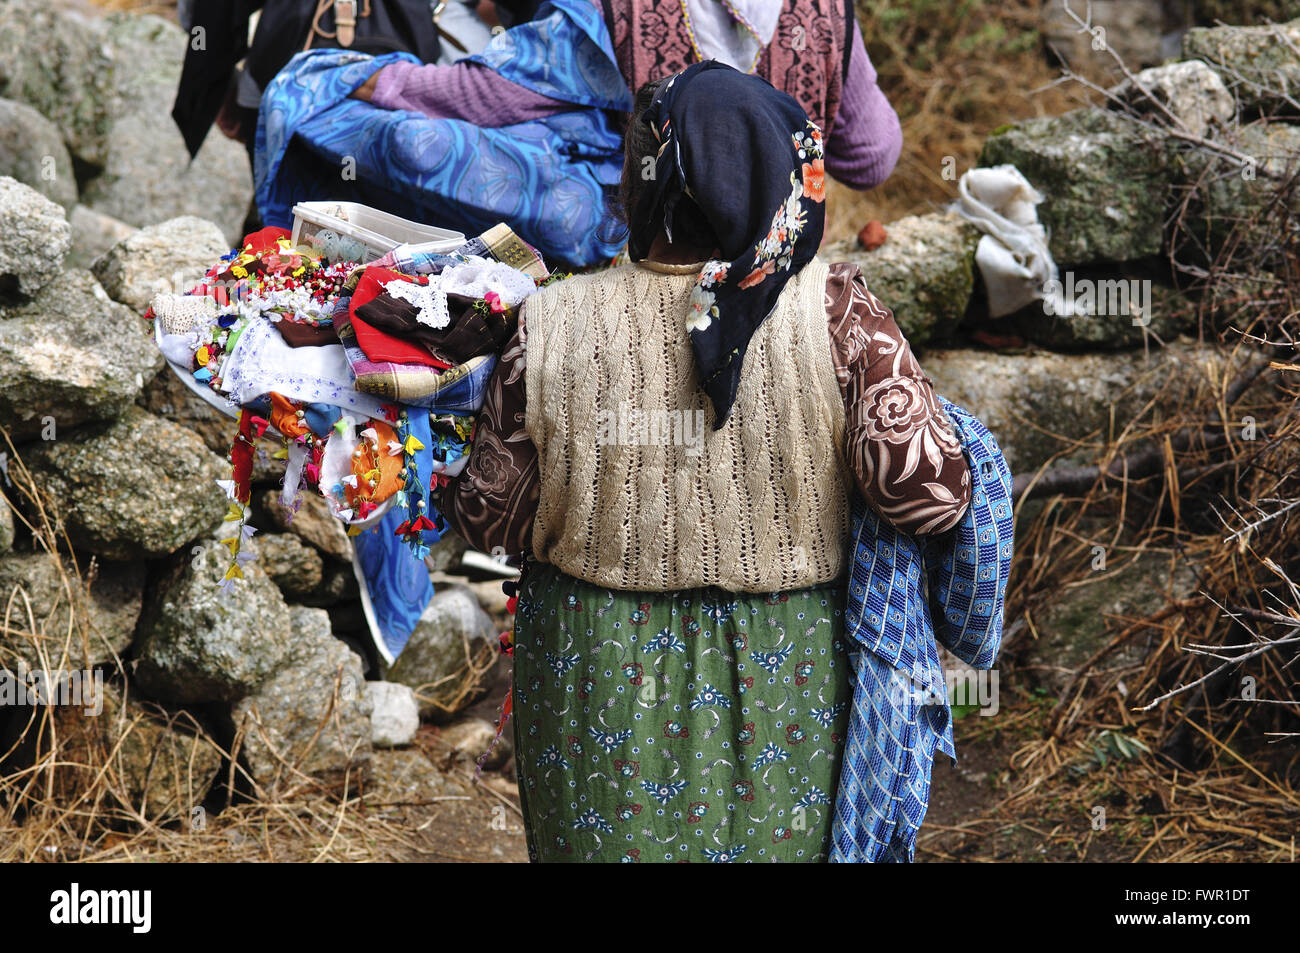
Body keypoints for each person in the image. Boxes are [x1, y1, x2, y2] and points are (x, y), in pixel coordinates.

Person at [438, 64, 970, 862]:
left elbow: (488, 518)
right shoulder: (836, 312)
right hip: (788, 667)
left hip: (598, 667)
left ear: (643, 187)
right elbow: (932, 499)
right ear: (776, 177)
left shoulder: (549, 322)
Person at [353, 0, 902, 191]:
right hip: (785, 288)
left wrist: (378, 80)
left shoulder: (612, 11)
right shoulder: (827, 14)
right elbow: (872, 157)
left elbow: (491, 94)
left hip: (652, 287)